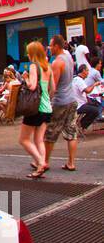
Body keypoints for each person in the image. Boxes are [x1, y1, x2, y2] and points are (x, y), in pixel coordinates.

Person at [42, 34, 79, 172]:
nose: (49, 48)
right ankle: (71, 163)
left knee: (51, 132)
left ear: (56, 46)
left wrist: (46, 101)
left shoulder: (57, 62)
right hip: (71, 99)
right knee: (71, 131)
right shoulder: (68, 55)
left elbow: (53, 86)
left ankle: (45, 162)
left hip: (60, 101)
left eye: (51, 46)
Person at [19, 41, 55, 178]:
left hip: (35, 108)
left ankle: (40, 163)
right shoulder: (48, 67)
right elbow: (53, 89)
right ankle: (42, 162)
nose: (27, 54)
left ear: (33, 53)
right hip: (47, 108)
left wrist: (26, 78)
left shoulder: (34, 66)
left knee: (24, 139)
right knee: (39, 140)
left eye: (28, 52)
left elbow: (32, 86)